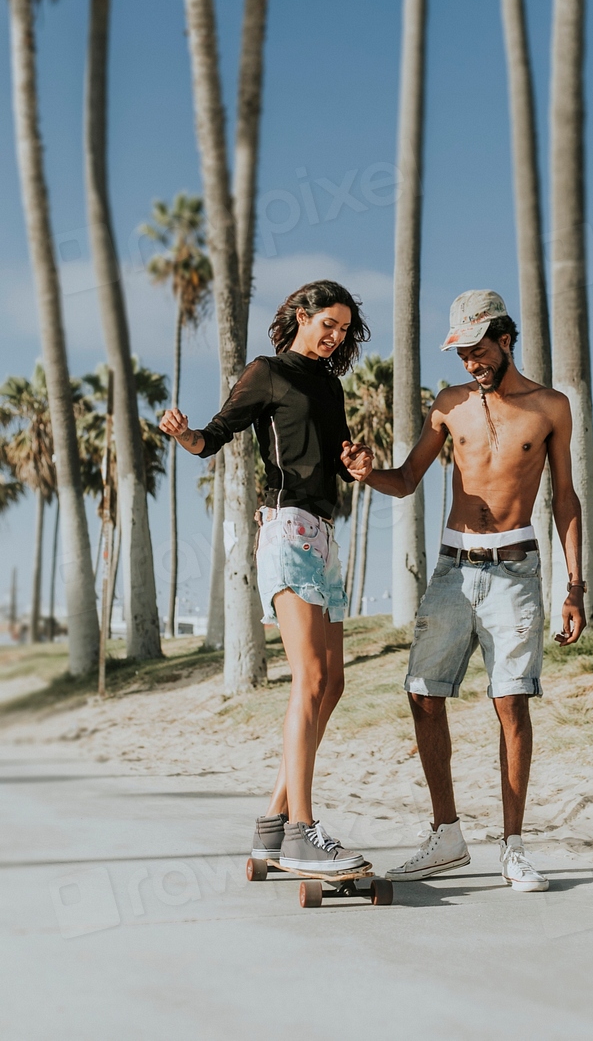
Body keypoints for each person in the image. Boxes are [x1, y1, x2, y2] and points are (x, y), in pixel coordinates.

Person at [361, 290, 585, 893]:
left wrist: (575, 585)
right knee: (423, 693)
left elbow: (564, 498)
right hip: (453, 570)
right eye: (462, 353)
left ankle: (513, 848)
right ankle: (447, 834)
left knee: (511, 702)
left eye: (479, 350)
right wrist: (366, 473)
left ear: (506, 339)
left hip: (515, 571)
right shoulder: (449, 406)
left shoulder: (551, 408)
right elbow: (406, 479)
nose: (471, 363)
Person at [159, 279, 373, 873]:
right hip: (288, 529)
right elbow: (212, 438)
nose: (335, 337)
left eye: (343, 330)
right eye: (327, 324)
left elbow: (332, 460)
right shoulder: (267, 372)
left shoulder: (329, 385)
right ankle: (304, 830)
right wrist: (183, 435)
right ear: (301, 315)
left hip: (324, 532)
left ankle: (273, 828)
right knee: (308, 679)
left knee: (333, 684)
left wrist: (355, 463)